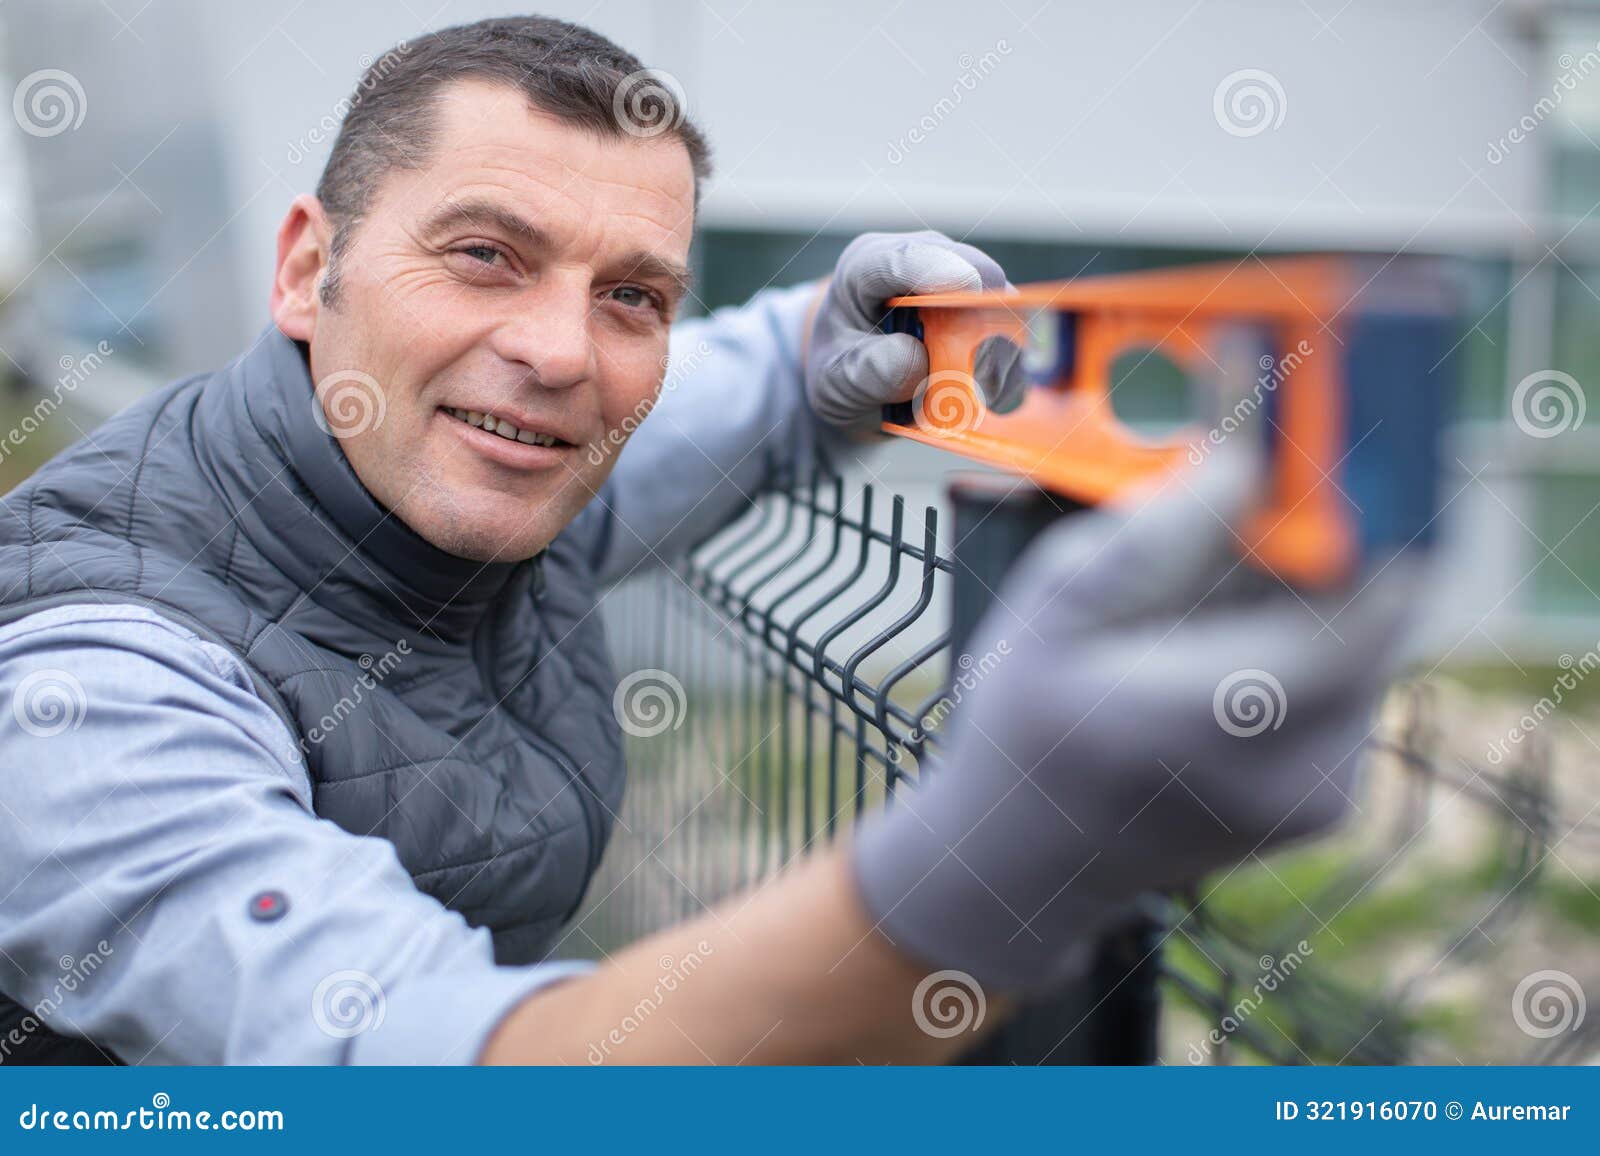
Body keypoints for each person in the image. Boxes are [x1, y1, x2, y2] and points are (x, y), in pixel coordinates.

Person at [0, 15, 1414, 1065]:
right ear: (311, 268)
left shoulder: (464, 474)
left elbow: (701, 410)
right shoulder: (100, 694)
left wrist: (827, 343)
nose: (558, 351)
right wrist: (989, 865)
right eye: (485, 254)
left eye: (634, 295)